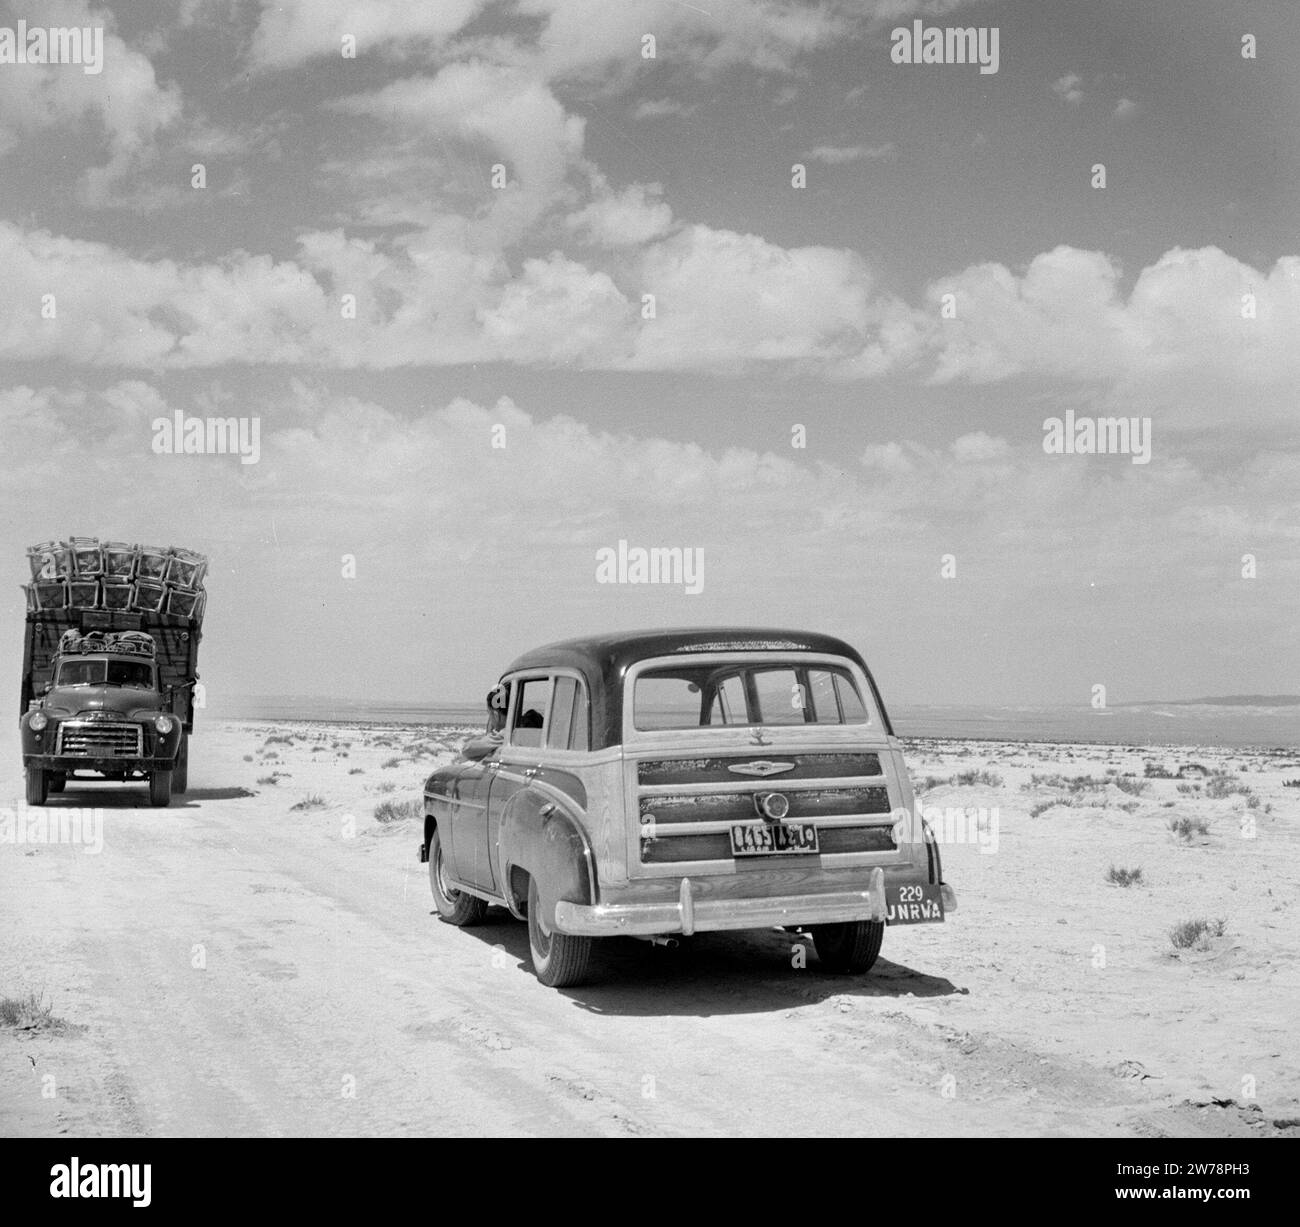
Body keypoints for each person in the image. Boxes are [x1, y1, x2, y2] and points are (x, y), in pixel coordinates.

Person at [461, 683, 509, 761]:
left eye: (489, 713)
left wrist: (490, 734)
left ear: (495, 715)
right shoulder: (522, 726)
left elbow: (467, 749)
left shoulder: (504, 734)